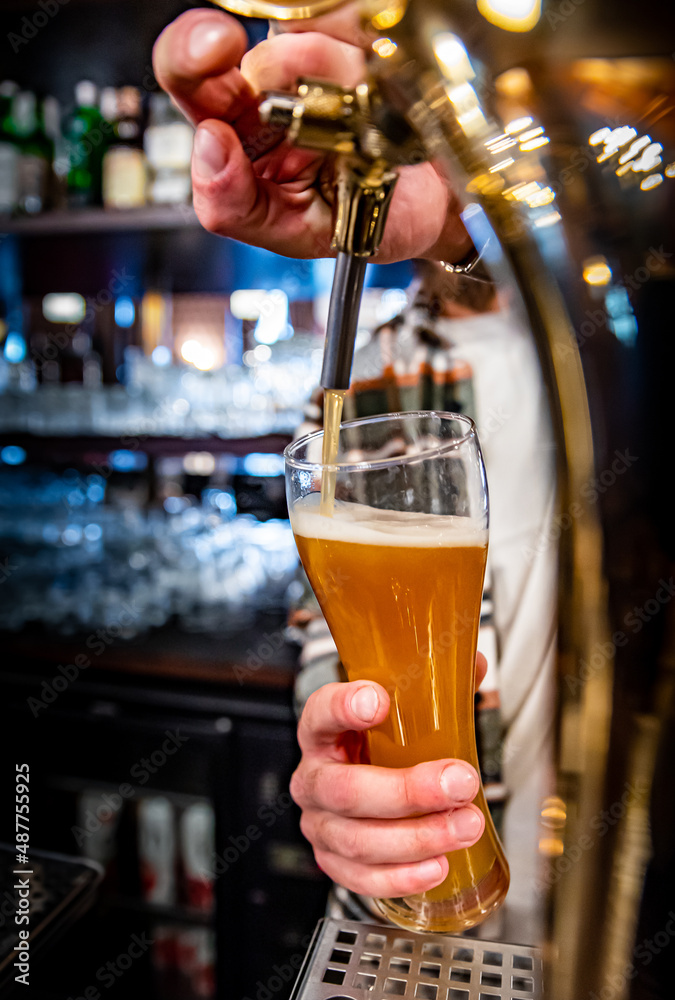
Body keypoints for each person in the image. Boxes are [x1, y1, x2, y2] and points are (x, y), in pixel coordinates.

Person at [153, 8, 557, 933]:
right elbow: (334, 663)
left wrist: (478, 206)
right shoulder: (364, 385)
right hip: (441, 935)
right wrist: (342, 788)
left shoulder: (621, 350)